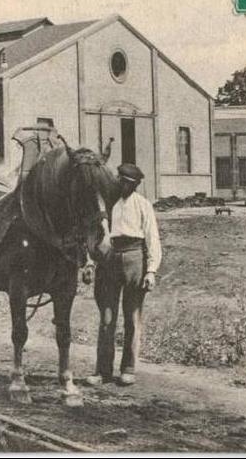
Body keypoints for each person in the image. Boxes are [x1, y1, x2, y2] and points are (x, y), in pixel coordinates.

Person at [85, 163, 162, 387]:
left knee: (132, 317)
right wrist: (90, 261)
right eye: (120, 181)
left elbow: (152, 238)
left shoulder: (143, 205)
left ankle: (128, 369)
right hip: (109, 259)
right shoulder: (107, 204)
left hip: (134, 258)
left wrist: (151, 271)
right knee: (107, 318)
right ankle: (103, 371)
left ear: (135, 184)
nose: (122, 185)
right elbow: (94, 234)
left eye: (127, 183)